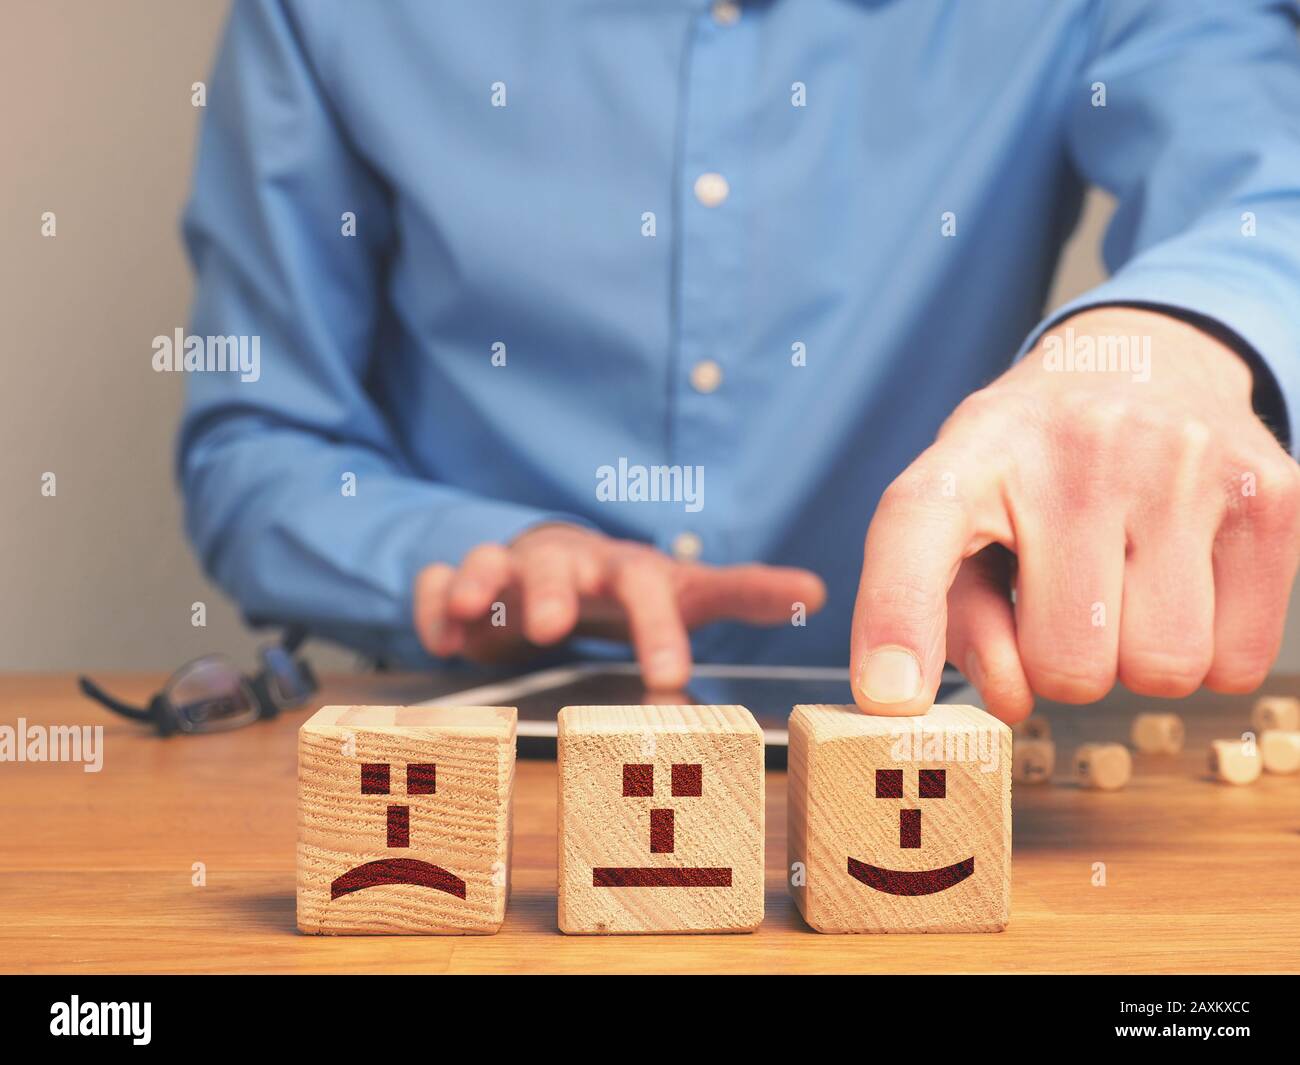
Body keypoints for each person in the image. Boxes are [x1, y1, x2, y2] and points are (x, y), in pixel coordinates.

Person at [179, 0, 1300, 722]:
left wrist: (1171, 338)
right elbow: (260, 442)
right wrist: (461, 556)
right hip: (476, 772)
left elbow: (1265, 184)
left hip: (931, 768)